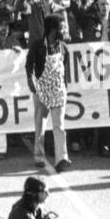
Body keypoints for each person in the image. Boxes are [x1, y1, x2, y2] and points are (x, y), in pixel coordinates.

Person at [27, 16, 71, 172]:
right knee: (41, 124)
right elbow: (29, 65)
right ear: (53, 30)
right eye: (62, 28)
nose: (64, 31)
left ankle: (62, 158)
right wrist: (31, 82)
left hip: (58, 90)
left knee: (59, 126)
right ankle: (39, 156)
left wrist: (65, 88)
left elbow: (65, 69)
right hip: (41, 89)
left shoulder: (64, 47)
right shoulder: (38, 46)